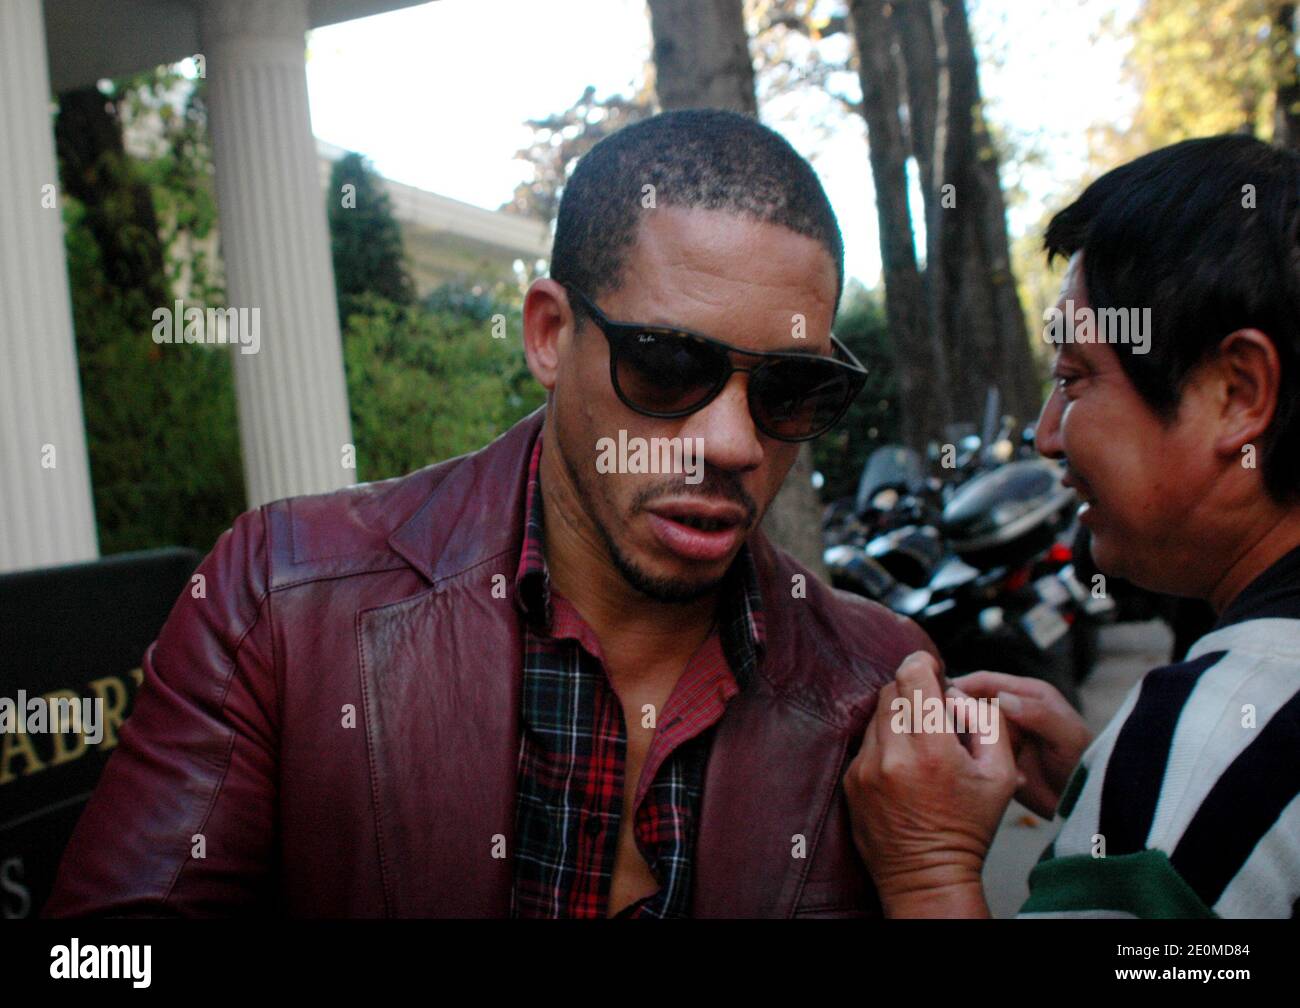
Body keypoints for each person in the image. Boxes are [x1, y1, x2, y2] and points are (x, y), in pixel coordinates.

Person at [44, 109, 934, 919]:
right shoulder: (283, 596)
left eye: (792, 387)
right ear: (549, 333)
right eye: (668, 365)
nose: (735, 443)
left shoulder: (883, 685)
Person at [844, 134, 1300, 918]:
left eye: (1074, 379)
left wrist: (930, 872)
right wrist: (1111, 793)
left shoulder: (1219, 736)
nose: (1049, 434)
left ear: (1237, 393)